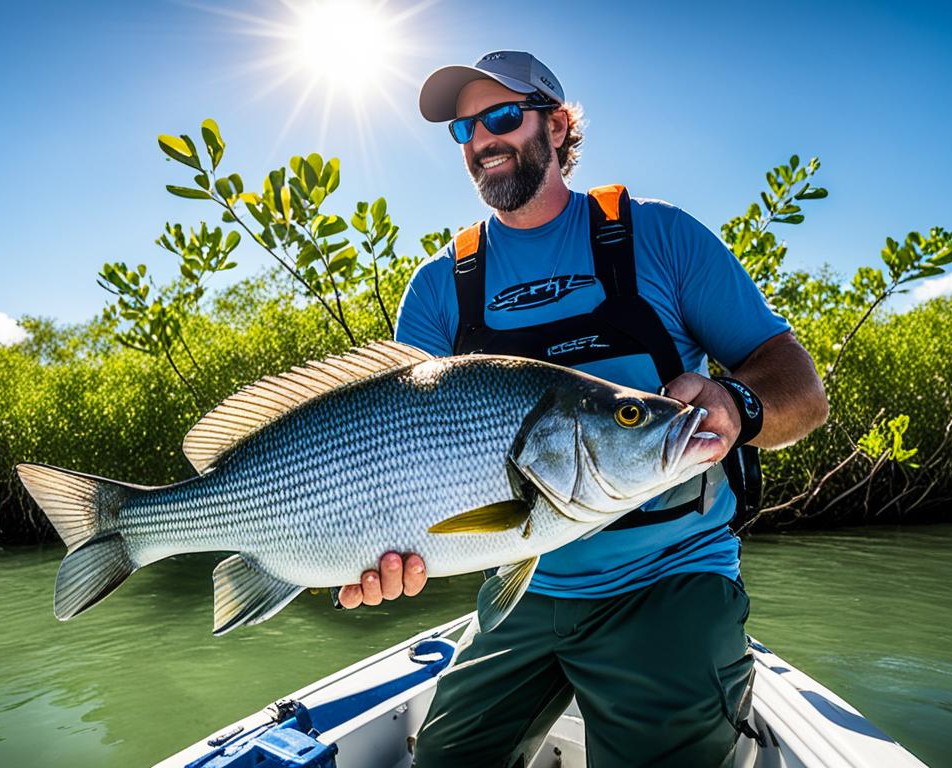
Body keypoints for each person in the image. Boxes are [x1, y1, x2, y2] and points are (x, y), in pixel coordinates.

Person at [336, 50, 829, 767]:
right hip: (522, 588)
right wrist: (380, 552)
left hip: (669, 579)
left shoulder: (660, 237)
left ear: (559, 126)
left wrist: (735, 402)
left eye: (502, 116)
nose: (481, 140)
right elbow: (393, 455)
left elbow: (802, 392)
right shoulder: (438, 288)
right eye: (464, 129)